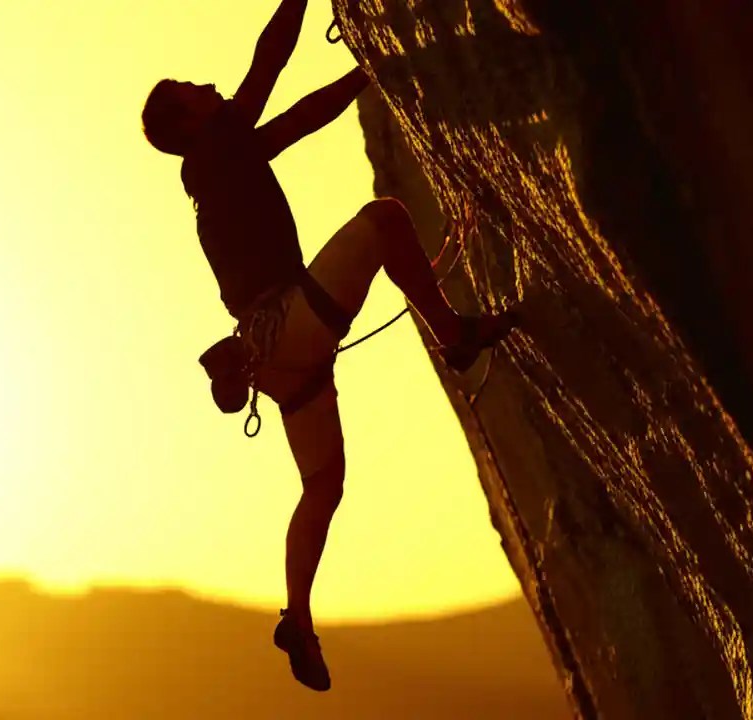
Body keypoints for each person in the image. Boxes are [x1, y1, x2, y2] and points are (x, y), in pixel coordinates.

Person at [141, 0, 514, 692]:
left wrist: (362, 77)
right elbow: (270, 63)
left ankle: (299, 617)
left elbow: (298, 119)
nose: (209, 88)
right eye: (195, 91)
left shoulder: (222, 164)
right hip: (288, 324)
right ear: (188, 124)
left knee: (322, 485)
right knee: (383, 222)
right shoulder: (218, 147)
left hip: (276, 357)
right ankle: (455, 335)